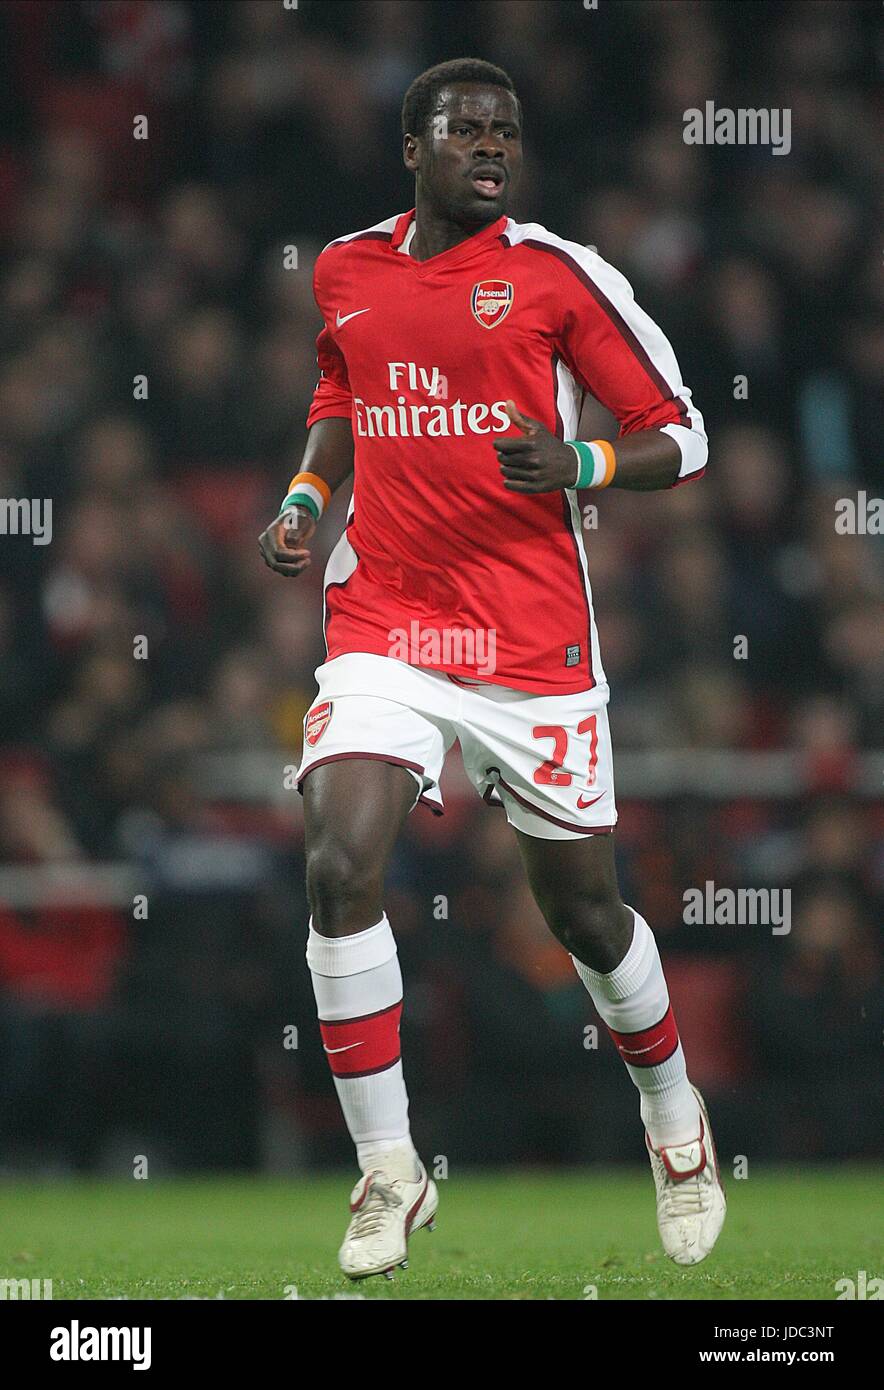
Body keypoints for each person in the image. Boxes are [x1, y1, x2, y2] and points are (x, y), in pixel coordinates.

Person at [259, 57, 725, 1280]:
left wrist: (582, 469)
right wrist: (311, 492)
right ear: (410, 147)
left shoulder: (557, 276)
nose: (489, 144)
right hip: (387, 627)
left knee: (581, 911)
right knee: (336, 855)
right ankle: (388, 1169)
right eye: (464, 127)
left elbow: (679, 431)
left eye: (504, 130)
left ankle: (673, 1118)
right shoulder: (346, 267)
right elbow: (339, 388)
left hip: (529, 648)